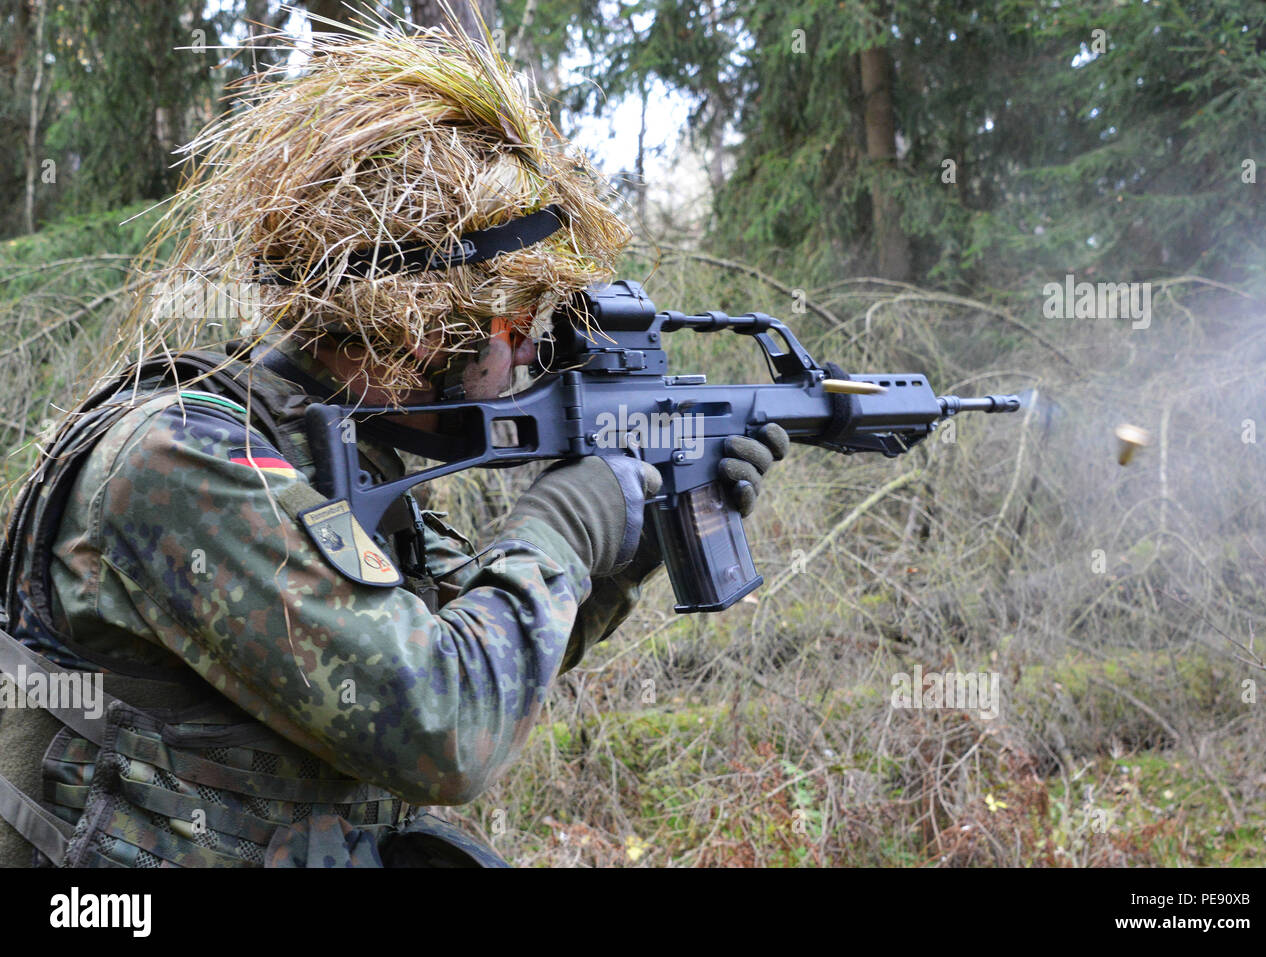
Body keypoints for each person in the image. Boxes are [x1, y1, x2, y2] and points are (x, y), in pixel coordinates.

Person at [0, 15, 787, 867]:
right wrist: (560, 528)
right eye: (516, 319)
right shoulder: (181, 461)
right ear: (417, 325)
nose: (525, 351)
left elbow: (470, 646)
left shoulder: (328, 452)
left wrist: (622, 554)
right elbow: (443, 726)